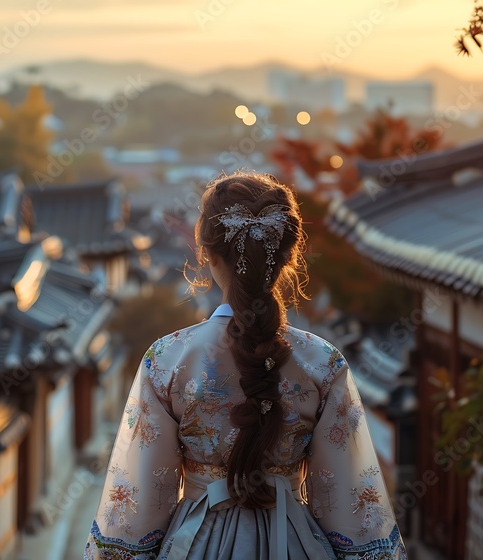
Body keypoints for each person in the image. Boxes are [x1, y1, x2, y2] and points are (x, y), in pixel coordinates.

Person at [84, 172, 406, 560]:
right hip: (295, 544)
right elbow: (350, 504)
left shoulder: (166, 359)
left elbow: (139, 505)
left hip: (196, 543)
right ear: (287, 257)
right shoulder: (323, 362)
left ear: (207, 253)